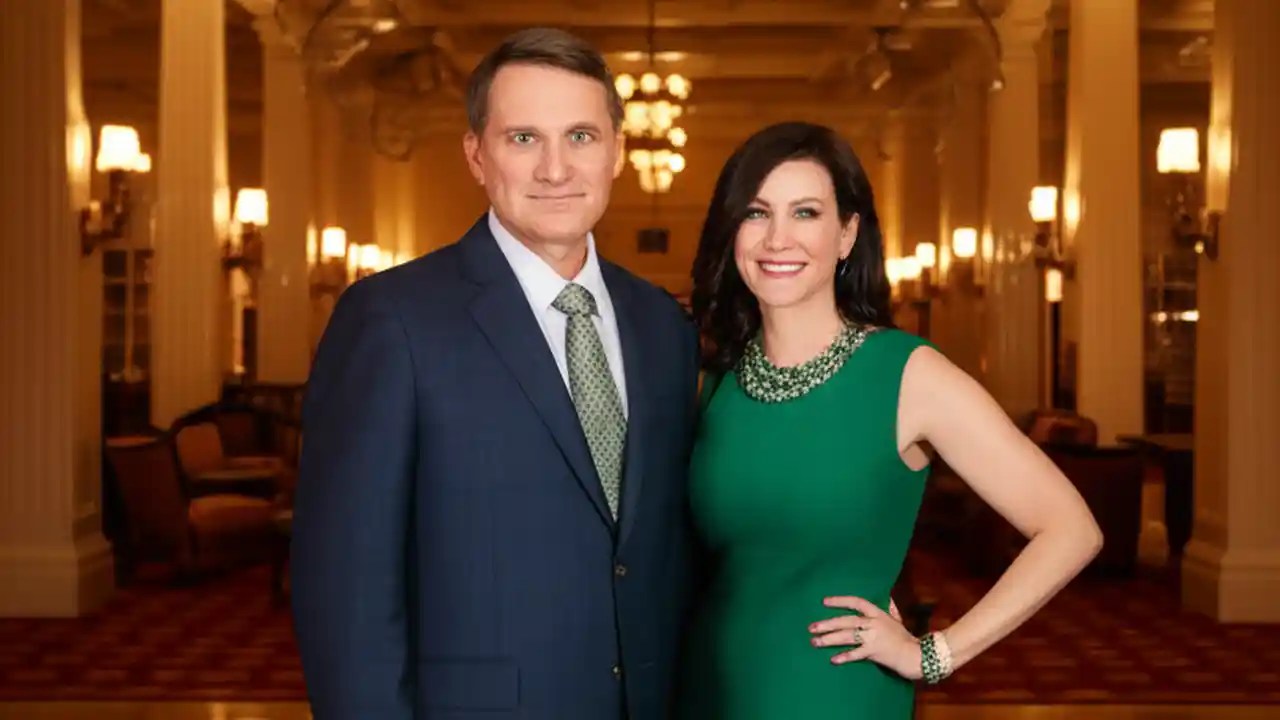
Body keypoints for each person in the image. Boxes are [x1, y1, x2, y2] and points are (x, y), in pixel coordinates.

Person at [290, 28, 701, 720]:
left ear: (618, 154)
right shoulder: (391, 320)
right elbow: (346, 589)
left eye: (580, 137)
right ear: (477, 156)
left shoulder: (663, 325)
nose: (554, 169)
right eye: (522, 139)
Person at [675, 121, 1103, 718]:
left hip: (834, 696)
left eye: (805, 213)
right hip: (706, 690)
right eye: (755, 213)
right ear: (731, 232)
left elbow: (1071, 530)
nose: (777, 238)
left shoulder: (908, 375)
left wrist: (935, 653)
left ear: (847, 233)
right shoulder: (711, 380)